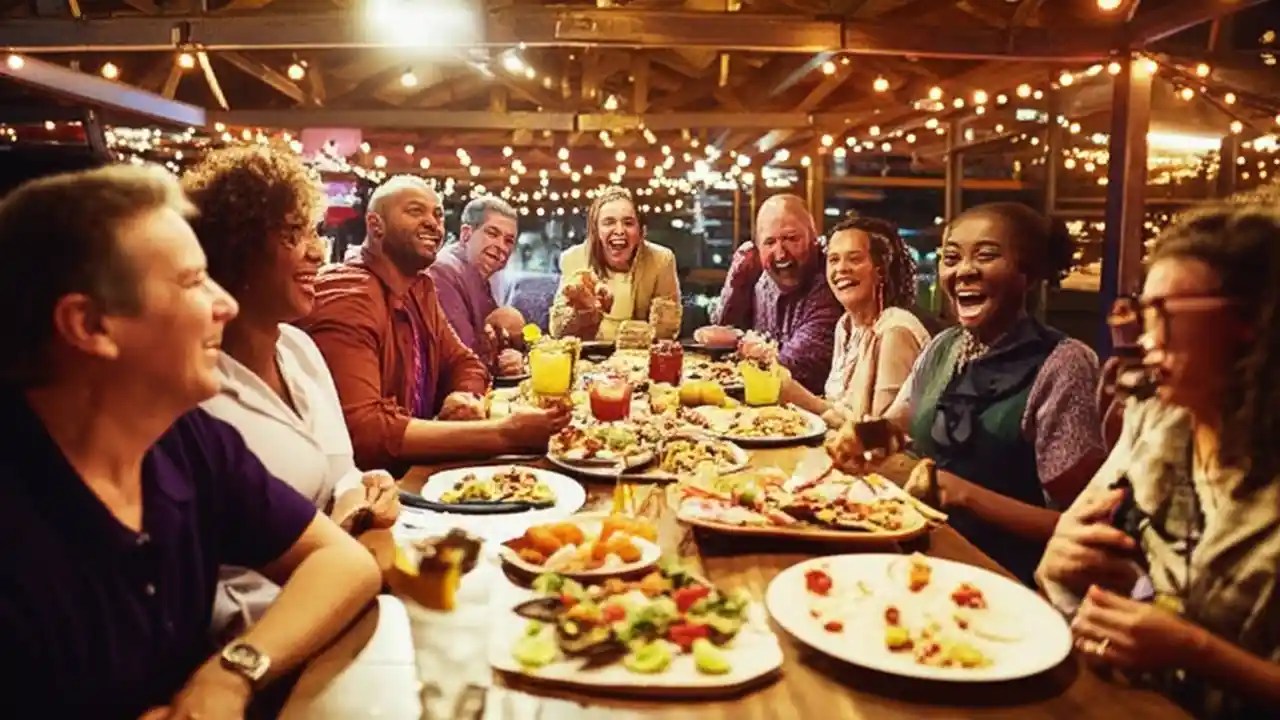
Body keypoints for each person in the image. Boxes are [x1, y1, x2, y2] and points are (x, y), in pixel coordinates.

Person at [0, 165, 381, 719]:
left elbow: (344, 561)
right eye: (192, 281)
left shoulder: (184, 440)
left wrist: (232, 672)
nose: (225, 304)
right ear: (89, 325)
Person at [1037, 204, 1280, 718]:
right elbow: (1071, 562)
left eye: (1166, 315)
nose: (1146, 340)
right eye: (1142, 313)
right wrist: (1062, 562)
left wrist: (1194, 649)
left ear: (1254, 320)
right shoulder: (1156, 424)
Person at [182, 146, 400, 638]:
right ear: (235, 250)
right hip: (265, 634)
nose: (318, 252)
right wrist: (343, 552)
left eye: (315, 232)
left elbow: (343, 472)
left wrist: (368, 492)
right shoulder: (192, 389)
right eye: (292, 235)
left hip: (348, 593)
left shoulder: (299, 348)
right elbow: (216, 588)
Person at [827, 202, 1105, 584]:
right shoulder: (944, 346)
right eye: (952, 258)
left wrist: (963, 494)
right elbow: (898, 426)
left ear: (1027, 272)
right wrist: (862, 436)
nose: (964, 271)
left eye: (986, 256)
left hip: (1004, 580)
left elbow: (1082, 528)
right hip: (921, 560)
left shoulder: (1064, 364)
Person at [297, 175, 569, 472]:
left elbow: (465, 362)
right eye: (415, 211)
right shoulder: (349, 294)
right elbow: (366, 433)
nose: (432, 223)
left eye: (438, 215)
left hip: (417, 470)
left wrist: (463, 397)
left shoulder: (419, 287)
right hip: (370, 486)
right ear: (375, 225)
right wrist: (504, 435)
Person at [780, 214, 930, 425]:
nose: (841, 269)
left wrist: (804, 400)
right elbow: (839, 406)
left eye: (855, 259)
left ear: (880, 271)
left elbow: (880, 434)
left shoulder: (896, 332)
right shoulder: (845, 326)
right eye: (834, 260)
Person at [709, 193, 844, 394]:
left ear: (814, 238)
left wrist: (739, 342)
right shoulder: (762, 278)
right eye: (769, 242)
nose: (781, 254)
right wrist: (737, 281)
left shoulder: (830, 284)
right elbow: (720, 337)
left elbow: (793, 367)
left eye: (791, 239)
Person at [549, 186, 682, 341]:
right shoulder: (574, 258)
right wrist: (584, 311)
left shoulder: (662, 260)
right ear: (595, 230)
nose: (619, 231)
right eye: (609, 222)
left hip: (641, 351)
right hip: (589, 351)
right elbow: (559, 331)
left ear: (641, 231)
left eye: (628, 223)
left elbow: (667, 330)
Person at [427, 196, 525, 376]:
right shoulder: (442, 271)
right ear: (466, 234)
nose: (501, 246)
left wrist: (513, 356)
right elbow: (463, 355)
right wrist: (500, 361)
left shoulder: (478, 275)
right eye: (492, 234)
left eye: (509, 240)